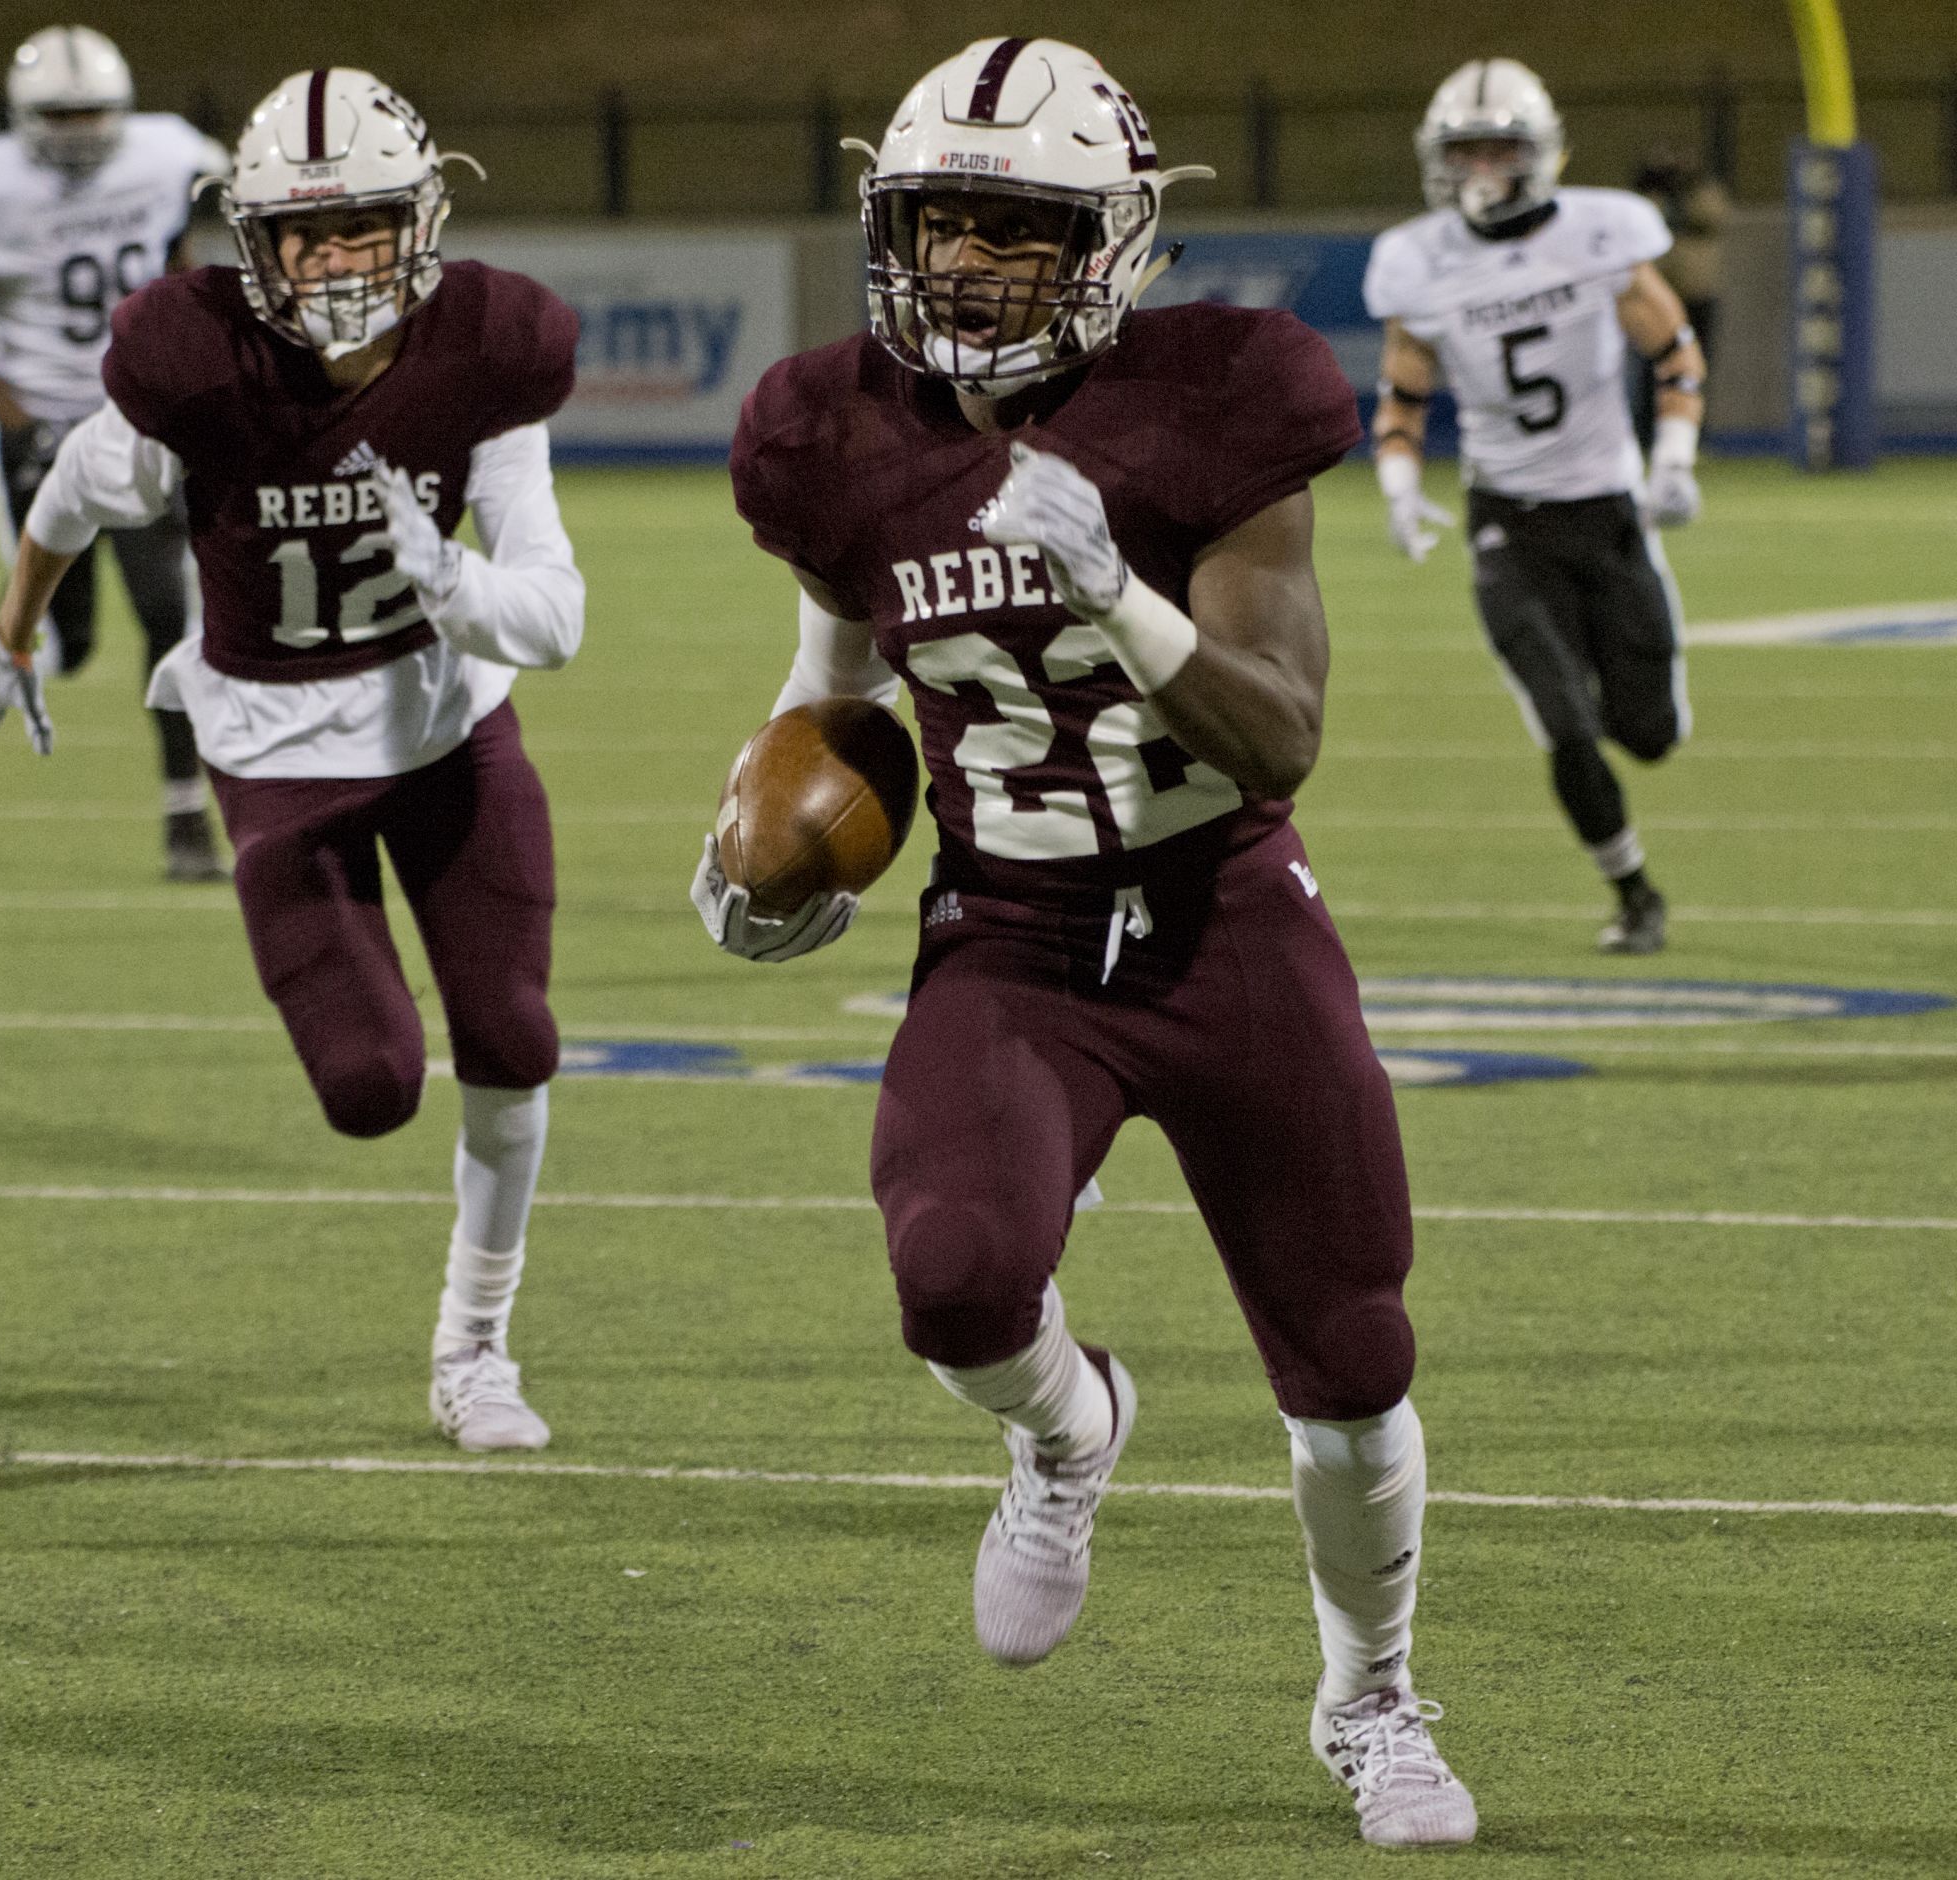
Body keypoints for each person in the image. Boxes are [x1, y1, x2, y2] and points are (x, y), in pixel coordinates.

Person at [693, 37, 1476, 1851]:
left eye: (1013, 230)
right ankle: (1067, 1429)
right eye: (936, 224)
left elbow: (1278, 734)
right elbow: (835, 688)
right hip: (1011, 932)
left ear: (1110, 242)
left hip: (1223, 917)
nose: (963, 265)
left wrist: (1115, 591)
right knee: (954, 1279)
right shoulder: (829, 433)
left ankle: (1369, 1697)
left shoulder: (1224, 400)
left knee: (1351, 1350)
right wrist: (766, 843)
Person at [0, 68, 585, 1452]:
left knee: (512, 1036)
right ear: (256, 244)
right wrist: (13, 628)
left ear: (420, 224)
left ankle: (474, 1347)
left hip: (446, 730)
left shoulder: (485, 355)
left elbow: (554, 616)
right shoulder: (200, 366)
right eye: (305, 234)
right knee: (370, 1087)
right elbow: (73, 489)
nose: (337, 260)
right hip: (271, 748)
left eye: (363, 226)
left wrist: (456, 586)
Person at [1364, 58, 1707, 956]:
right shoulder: (1418, 262)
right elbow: (1403, 396)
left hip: (1606, 511)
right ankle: (1634, 892)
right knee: (1564, 721)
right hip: (1507, 522)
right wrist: (1400, 484)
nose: (1479, 169)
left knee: (1650, 733)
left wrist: (1674, 459)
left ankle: (1636, 778)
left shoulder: (1601, 234)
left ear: (1541, 152)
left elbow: (1676, 354)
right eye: (1463, 151)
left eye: (1497, 149)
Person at [0, 25, 230, 880]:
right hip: (40, 427)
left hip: (135, 421)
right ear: (24, 115)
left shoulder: (159, 163)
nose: (79, 128)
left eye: (91, 110)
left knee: (170, 614)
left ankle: (186, 820)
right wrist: (18, 421)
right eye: (60, 113)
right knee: (75, 642)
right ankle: (25, 614)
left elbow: (182, 283)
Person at [1627, 146, 1729, 451]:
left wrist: (1685, 188)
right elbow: (1643, 224)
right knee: (1650, 367)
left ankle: (1693, 431)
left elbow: (1712, 215)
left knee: (1693, 364)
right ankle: (1647, 433)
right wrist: (1654, 185)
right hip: (1657, 291)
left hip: (1696, 292)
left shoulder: (1700, 189)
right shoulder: (1647, 197)